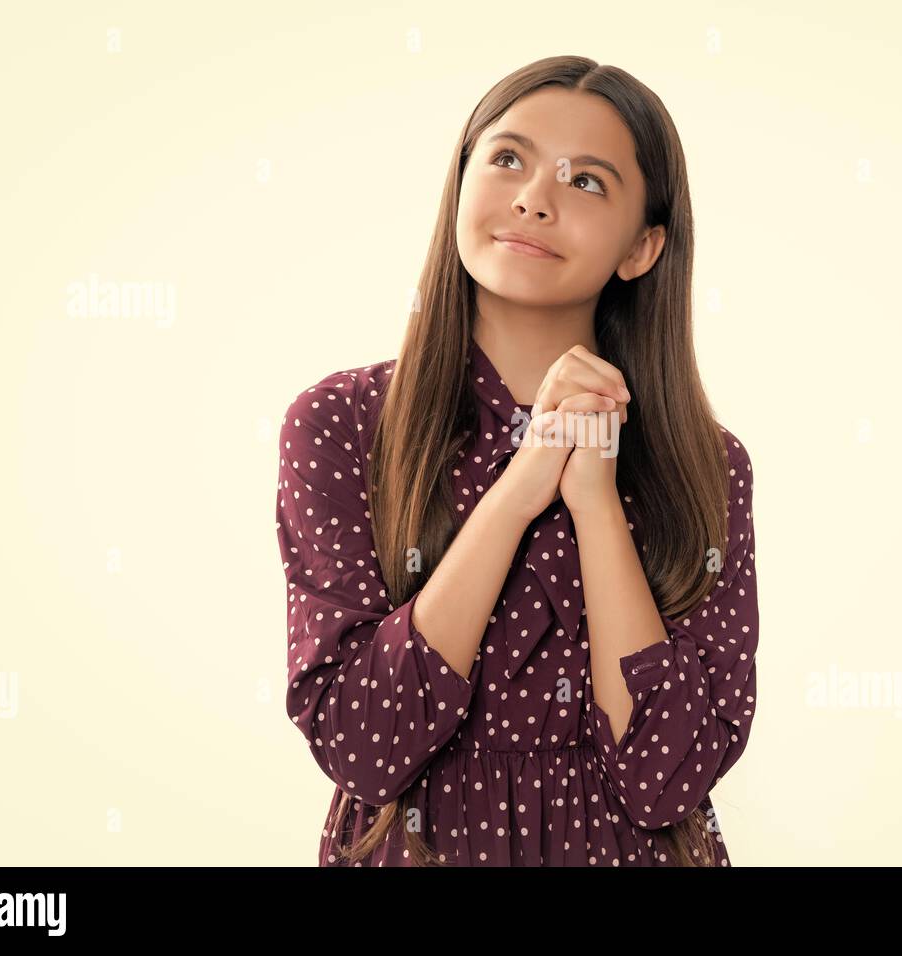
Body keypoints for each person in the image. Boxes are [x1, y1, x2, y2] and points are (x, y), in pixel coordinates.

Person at [276, 55, 757, 866]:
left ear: (642, 247)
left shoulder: (706, 465)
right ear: (461, 183)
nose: (535, 197)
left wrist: (597, 502)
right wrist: (521, 487)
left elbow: (668, 780)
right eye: (507, 159)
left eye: (587, 183)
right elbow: (364, 748)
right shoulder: (344, 425)